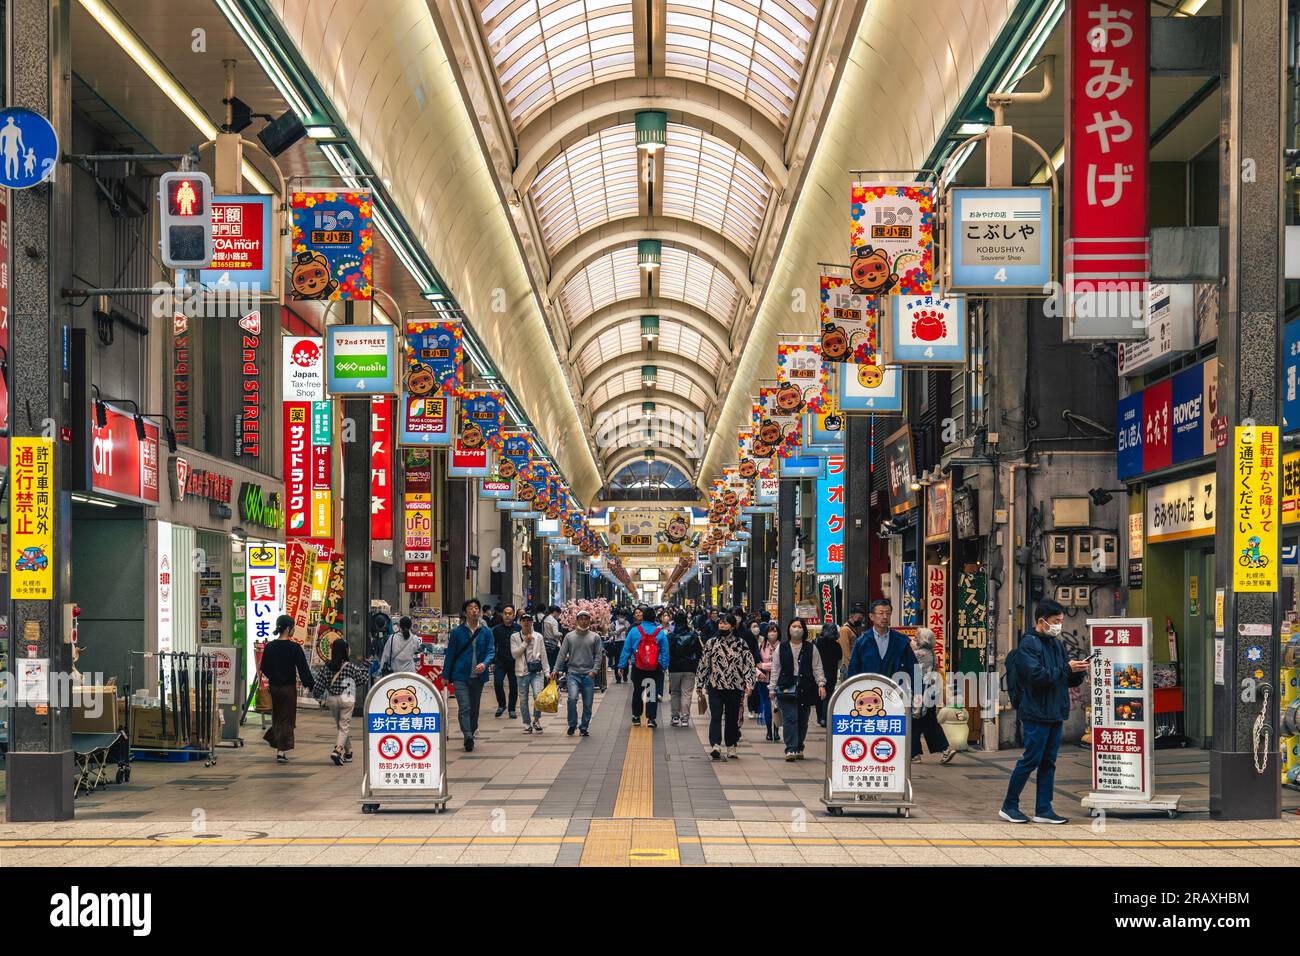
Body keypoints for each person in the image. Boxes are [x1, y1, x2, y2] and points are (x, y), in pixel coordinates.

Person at [1000, 599, 1088, 825]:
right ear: (1042, 621)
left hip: (1055, 711)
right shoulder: (1028, 645)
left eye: (1061, 621)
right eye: (1055, 621)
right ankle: (1009, 806)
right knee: (1031, 759)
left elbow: (1062, 676)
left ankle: (1044, 809)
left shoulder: (1056, 644)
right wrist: (1066, 669)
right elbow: (1037, 676)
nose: (1059, 625)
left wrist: (1077, 671)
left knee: (1048, 761)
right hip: (1036, 712)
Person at [696, 615, 755, 760]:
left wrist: (749, 683)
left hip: (735, 687)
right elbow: (704, 663)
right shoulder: (711, 643)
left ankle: (731, 745)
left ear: (733, 626)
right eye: (720, 623)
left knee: (731, 717)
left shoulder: (741, 644)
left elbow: (748, 664)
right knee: (715, 715)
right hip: (715, 685)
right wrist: (700, 684)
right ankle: (715, 745)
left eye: (725, 624)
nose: (722, 626)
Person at [259, 615, 314, 764]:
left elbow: (264, 667)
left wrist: (274, 676)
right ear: (288, 628)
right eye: (293, 627)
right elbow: (303, 669)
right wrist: (310, 684)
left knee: (278, 716)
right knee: (287, 719)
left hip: (274, 688)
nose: (294, 630)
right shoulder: (294, 648)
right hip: (288, 688)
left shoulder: (270, 647)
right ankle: (281, 751)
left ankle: (275, 740)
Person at [770, 619, 826, 760]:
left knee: (802, 720)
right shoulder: (781, 647)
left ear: (804, 630)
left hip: (805, 687)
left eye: (799, 627)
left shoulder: (811, 648)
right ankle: (791, 748)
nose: (796, 629)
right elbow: (775, 669)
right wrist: (772, 688)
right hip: (786, 687)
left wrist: (821, 684)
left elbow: (817, 667)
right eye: (793, 626)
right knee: (790, 718)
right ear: (788, 629)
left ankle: (799, 746)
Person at [444, 599, 494, 751]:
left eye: (476, 608)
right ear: (465, 612)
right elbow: (450, 655)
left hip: (478, 677)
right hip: (460, 676)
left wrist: (484, 664)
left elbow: (491, 651)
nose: (474, 610)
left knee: (475, 708)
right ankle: (467, 736)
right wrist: (445, 676)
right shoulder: (457, 632)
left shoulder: (486, 632)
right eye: (471, 608)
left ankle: (471, 730)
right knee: (464, 707)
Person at [318, 637, 371, 765]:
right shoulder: (350, 667)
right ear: (345, 650)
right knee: (344, 726)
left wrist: (316, 696)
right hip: (347, 698)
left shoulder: (327, 667)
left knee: (341, 727)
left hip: (332, 699)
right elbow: (362, 679)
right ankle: (337, 750)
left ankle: (348, 752)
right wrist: (366, 665)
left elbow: (320, 684)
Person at [845, 599, 918, 690]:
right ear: (871, 616)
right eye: (881, 613)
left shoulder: (901, 641)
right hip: (870, 696)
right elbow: (853, 671)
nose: (885, 617)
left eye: (888, 613)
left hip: (896, 695)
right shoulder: (862, 642)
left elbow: (914, 669)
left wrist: (919, 693)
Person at [553, 609, 604, 736]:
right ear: (577, 620)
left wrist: (594, 671)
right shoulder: (569, 637)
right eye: (581, 618)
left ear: (589, 620)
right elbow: (562, 654)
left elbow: (599, 656)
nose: (583, 621)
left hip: (588, 674)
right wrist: (555, 670)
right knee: (572, 698)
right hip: (573, 673)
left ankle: (584, 727)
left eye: (586, 618)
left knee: (588, 703)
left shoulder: (595, 637)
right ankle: (572, 724)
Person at [618, 606, 669, 728]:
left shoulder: (635, 631)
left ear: (643, 617)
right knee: (651, 692)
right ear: (654, 618)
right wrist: (663, 665)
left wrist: (621, 665)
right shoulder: (660, 633)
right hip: (654, 667)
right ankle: (651, 719)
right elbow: (665, 651)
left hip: (638, 667)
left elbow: (626, 649)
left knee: (637, 692)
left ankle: (636, 717)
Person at [911, 627, 955, 763]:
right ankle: (945, 749)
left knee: (915, 722)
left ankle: (915, 754)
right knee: (929, 723)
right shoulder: (932, 653)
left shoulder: (920, 654)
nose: (915, 637)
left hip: (920, 691)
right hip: (929, 691)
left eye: (917, 635)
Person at [512, 613, 549, 734]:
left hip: (536, 672)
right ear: (520, 622)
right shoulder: (515, 637)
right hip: (521, 672)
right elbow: (515, 654)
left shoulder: (538, 636)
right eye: (524, 620)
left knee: (538, 696)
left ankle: (536, 720)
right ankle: (527, 723)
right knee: (523, 699)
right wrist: (525, 643)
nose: (526, 623)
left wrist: (547, 671)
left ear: (532, 622)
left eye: (529, 620)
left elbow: (543, 654)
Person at [667, 611, 702, 727]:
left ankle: (675, 717)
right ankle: (685, 718)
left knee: (675, 693)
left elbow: (667, 653)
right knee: (686, 693)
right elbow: (699, 652)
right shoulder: (693, 635)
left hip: (674, 668)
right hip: (689, 668)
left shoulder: (670, 637)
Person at [492, 604, 521, 719]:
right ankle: (501, 704)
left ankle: (512, 709)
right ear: (502, 615)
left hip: (514, 662)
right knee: (498, 683)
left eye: (510, 614)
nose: (507, 616)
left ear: (514, 615)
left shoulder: (518, 629)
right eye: (505, 613)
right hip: (500, 661)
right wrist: (493, 660)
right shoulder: (496, 629)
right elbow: (493, 645)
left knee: (513, 686)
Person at [754, 622, 781, 741]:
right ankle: (769, 730)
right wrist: (758, 673)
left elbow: (778, 665)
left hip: (778, 680)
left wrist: (763, 666)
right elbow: (755, 663)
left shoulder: (782, 646)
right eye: (770, 631)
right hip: (763, 680)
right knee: (766, 705)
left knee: (777, 706)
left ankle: (776, 730)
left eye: (774, 631)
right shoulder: (761, 645)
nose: (772, 634)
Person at [814, 619, 843, 727]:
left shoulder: (817, 642)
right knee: (828, 695)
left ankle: (819, 717)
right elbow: (839, 660)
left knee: (819, 696)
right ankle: (825, 718)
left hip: (817, 673)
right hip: (831, 673)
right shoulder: (836, 645)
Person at [838, 606, 866, 678]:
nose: (860, 621)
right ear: (851, 616)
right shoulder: (845, 630)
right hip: (848, 666)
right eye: (859, 618)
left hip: (853, 663)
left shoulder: (854, 629)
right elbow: (845, 651)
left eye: (861, 619)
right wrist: (852, 666)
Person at [542, 605, 563, 671]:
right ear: (555, 612)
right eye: (558, 614)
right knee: (553, 663)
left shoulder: (545, 619)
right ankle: (552, 679)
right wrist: (561, 634)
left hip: (546, 644)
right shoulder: (554, 621)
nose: (558, 616)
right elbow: (555, 633)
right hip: (553, 645)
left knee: (547, 663)